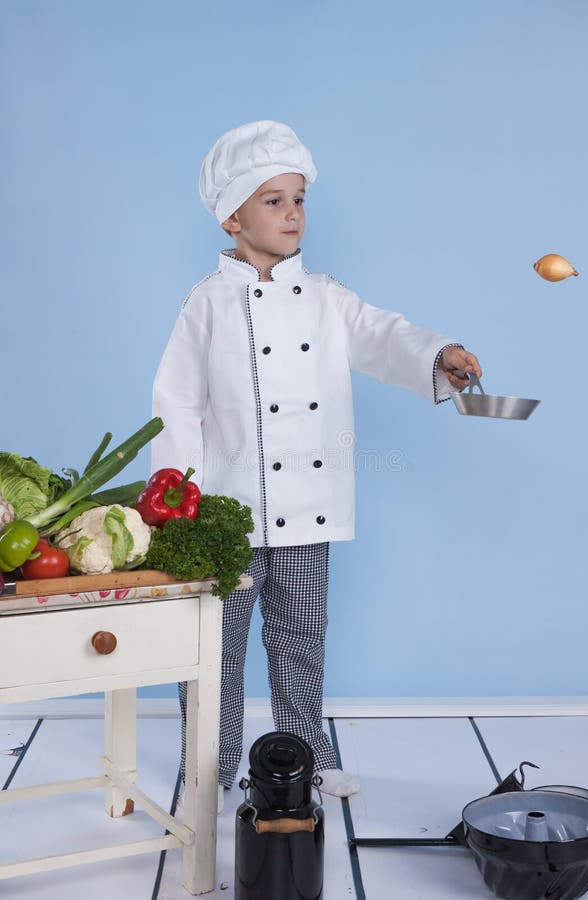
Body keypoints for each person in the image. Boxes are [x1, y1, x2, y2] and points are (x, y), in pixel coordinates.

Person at [151, 120, 481, 808]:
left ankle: (308, 758)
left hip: (308, 509)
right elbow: (177, 404)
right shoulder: (206, 303)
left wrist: (438, 355)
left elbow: (386, 336)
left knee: (300, 639)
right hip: (225, 515)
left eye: (298, 198)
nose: (293, 212)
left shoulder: (328, 297)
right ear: (232, 216)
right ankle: (206, 765)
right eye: (273, 200)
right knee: (213, 650)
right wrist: (178, 500)